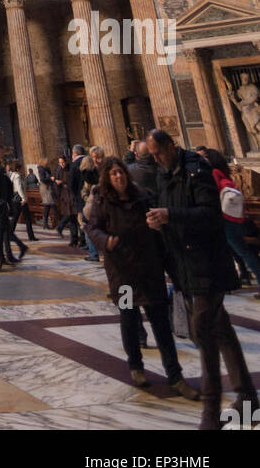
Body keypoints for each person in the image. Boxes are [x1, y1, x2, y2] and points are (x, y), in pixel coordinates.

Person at [146, 128, 258, 430]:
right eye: (152, 155)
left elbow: (210, 214)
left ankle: (211, 411)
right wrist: (159, 222)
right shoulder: (163, 174)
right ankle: (247, 397)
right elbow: (172, 212)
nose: (156, 159)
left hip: (208, 261)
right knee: (221, 329)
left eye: (159, 152)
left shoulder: (198, 170)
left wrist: (171, 214)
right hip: (184, 264)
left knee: (201, 330)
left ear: (171, 145)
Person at [86, 156, 199, 397]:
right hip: (123, 273)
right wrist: (105, 241)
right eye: (113, 173)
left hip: (150, 271)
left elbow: (160, 231)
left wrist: (160, 230)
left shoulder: (144, 197)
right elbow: (92, 227)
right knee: (129, 319)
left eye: (121, 172)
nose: (118, 177)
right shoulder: (102, 201)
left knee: (160, 324)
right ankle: (136, 366)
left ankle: (175, 376)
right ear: (107, 177)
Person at [202, 147, 260, 298]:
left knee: (243, 252)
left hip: (225, 218)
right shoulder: (222, 171)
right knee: (238, 251)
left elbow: (213, 194)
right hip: (232, 217)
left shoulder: (213, 173)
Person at [10, 160, 37, 242]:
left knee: (15, 218)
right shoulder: (17, 176)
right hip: (20, 200)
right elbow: (19, 188)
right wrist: (24, 198)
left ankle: (10, 235)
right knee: (27, 218)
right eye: (21, 168)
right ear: (18, 168)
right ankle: (31, 237)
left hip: (16, 199)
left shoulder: (13, 175)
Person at [37, 161, 55, 229]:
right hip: (46, 189)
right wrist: (50, 178)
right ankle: (59, 224)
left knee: (48, 206)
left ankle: (46, 223)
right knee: (51, 205)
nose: (48, 164)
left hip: (47, 188)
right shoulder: (42, 169)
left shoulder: (45, 169)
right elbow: (43, 179)